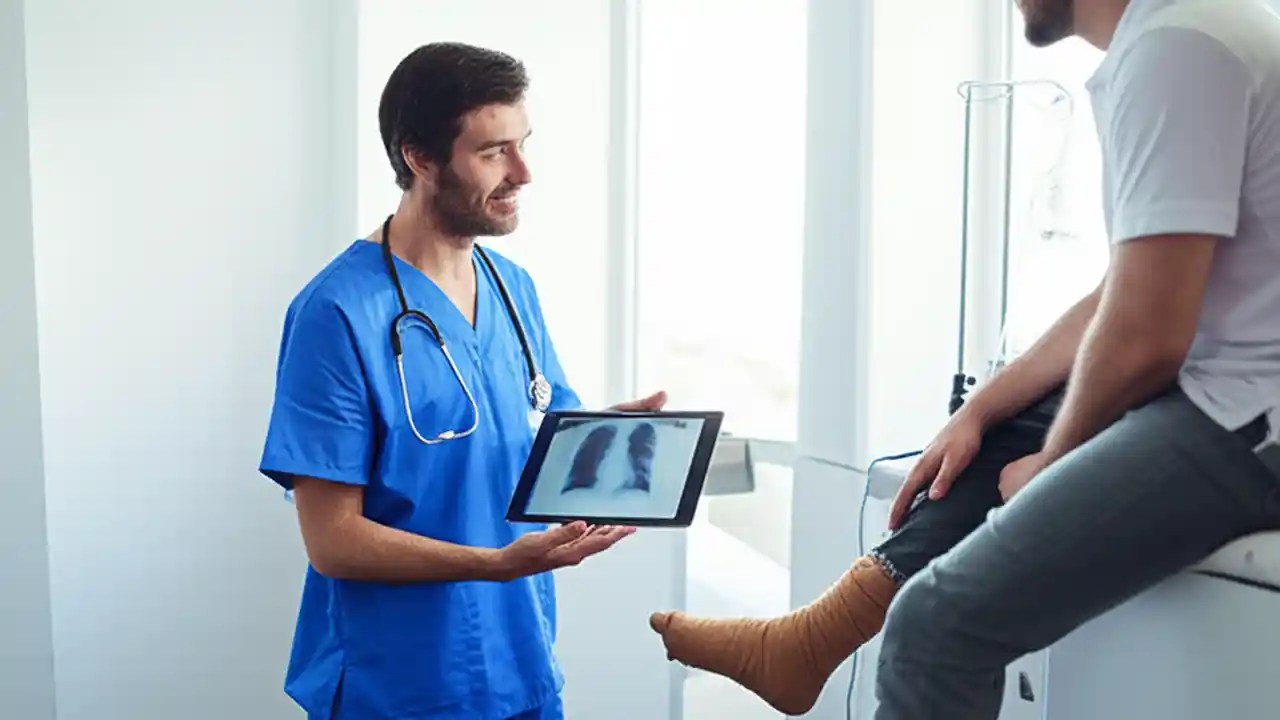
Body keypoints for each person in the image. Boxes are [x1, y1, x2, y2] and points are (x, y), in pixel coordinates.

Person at [648, 0, 1280, 717]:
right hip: (1238, 394)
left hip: (1253, 424)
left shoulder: (1179, 49)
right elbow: (1124, 293)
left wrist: (1053, 467)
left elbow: (1145, 335)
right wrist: (980, 407)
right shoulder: (1192, 28)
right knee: (1008, 420)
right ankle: (816, 637)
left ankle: (814, 638)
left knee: (935, 627)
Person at [259, 42, 665, 720]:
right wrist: (498, 563)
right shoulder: (336, 314)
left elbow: (531, 445)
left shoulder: (514, 290)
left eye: (523, 144)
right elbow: (333, 541)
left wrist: (597, 443)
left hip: (523, 665)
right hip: (398, 686)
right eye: (493, 152)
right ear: (419, 159)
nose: (523, 172)